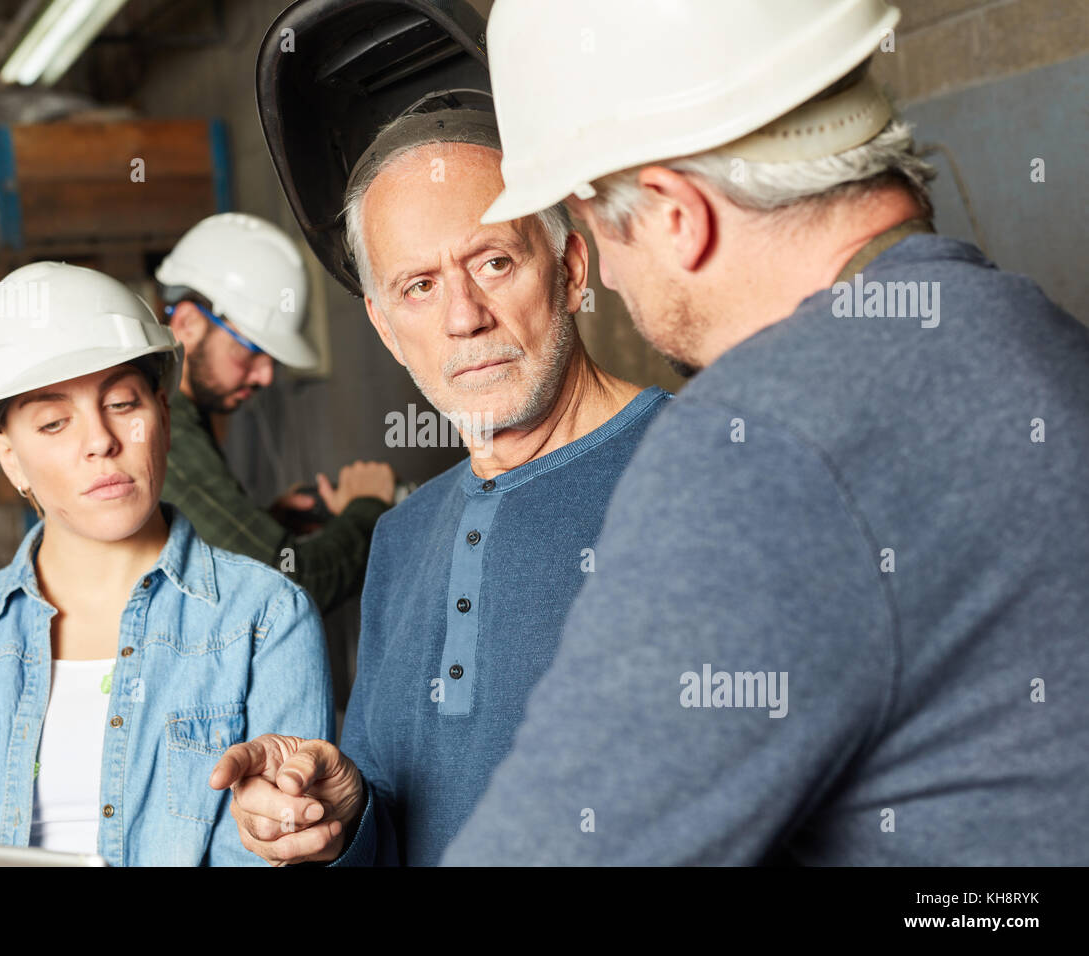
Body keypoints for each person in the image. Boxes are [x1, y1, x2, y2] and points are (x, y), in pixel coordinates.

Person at [443, 0, 1089, 864]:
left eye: (594, 227)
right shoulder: (1044, 340)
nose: (611, 279)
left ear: (675, 214)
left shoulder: (758, 445)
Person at [212, 106, 673, 865]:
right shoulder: (402, 535)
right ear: (387, 327)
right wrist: (345, 816)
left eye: (494, 262)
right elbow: (401, 814)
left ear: (572, 270)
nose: (464, 316)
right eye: (419, 286)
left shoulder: (707, 476)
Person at [0, 261, 334, 866]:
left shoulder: (265, 619)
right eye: (54, 422)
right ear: (8, 455)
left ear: (162, 413)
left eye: (122, 402)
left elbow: (279, 855)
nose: (100, 441)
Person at [155, 213, 395, 614]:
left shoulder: (182, 423)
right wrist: (367, 508)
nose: (266, 376)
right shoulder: (169, 436)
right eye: (250, 351)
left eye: (271, 359)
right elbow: (289, 589)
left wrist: (261, 524)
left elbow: (204, 570)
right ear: (188, 324)